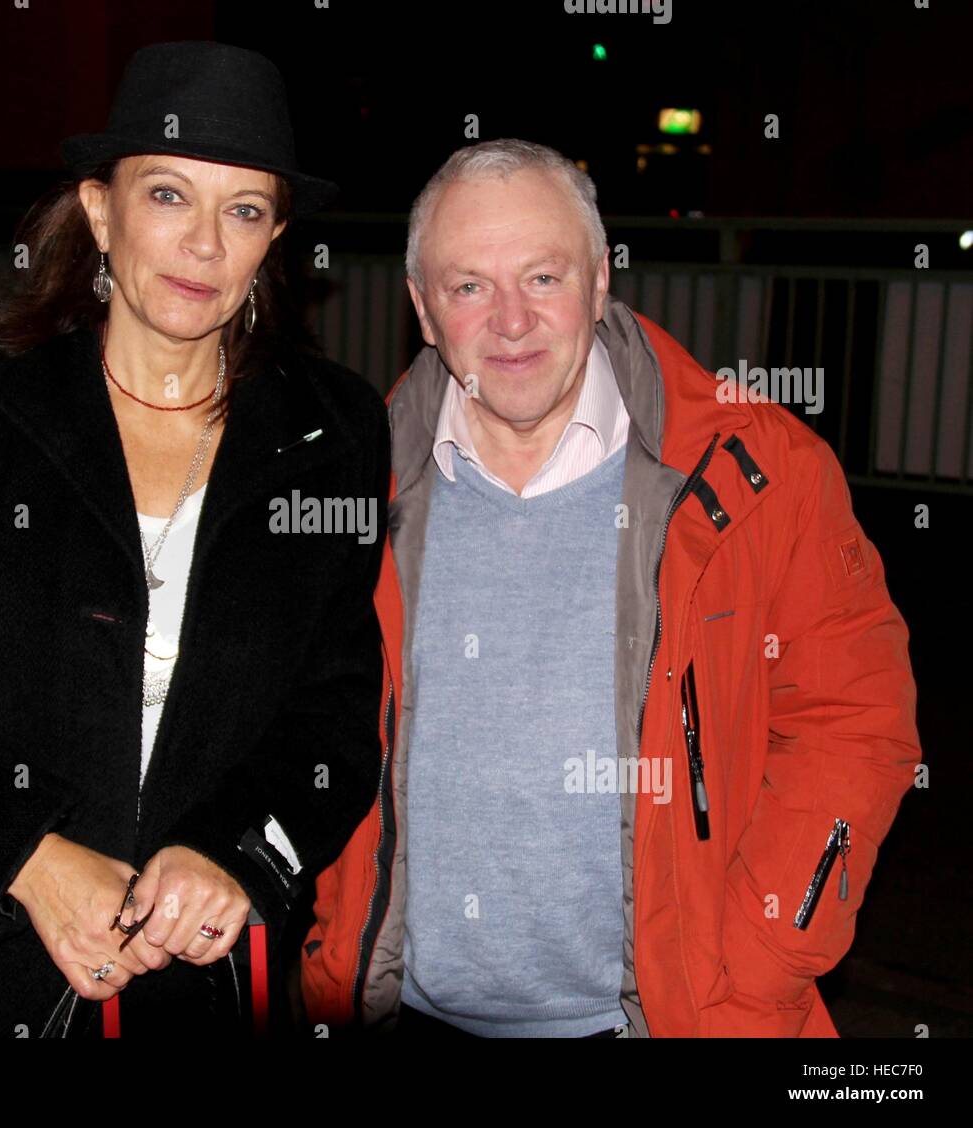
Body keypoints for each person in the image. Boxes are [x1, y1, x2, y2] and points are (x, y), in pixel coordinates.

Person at [0, 40, 390, 1037]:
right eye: (167, 196)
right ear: (99, 210)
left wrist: (233, 854)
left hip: (187, 987)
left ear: (275, 237)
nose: (204, 244)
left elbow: (331, 714)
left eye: (243, 210)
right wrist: (23, 853)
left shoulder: (330, 434)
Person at [300, 138, 922, 1037]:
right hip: (398, 1011)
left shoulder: (760, 470)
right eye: (469, 285)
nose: (511, 321)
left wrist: (758, 960)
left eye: (543, 278)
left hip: (672, 1020)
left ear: (598, 283)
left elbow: (854, 718)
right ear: (422, 310)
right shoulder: (354, 487)